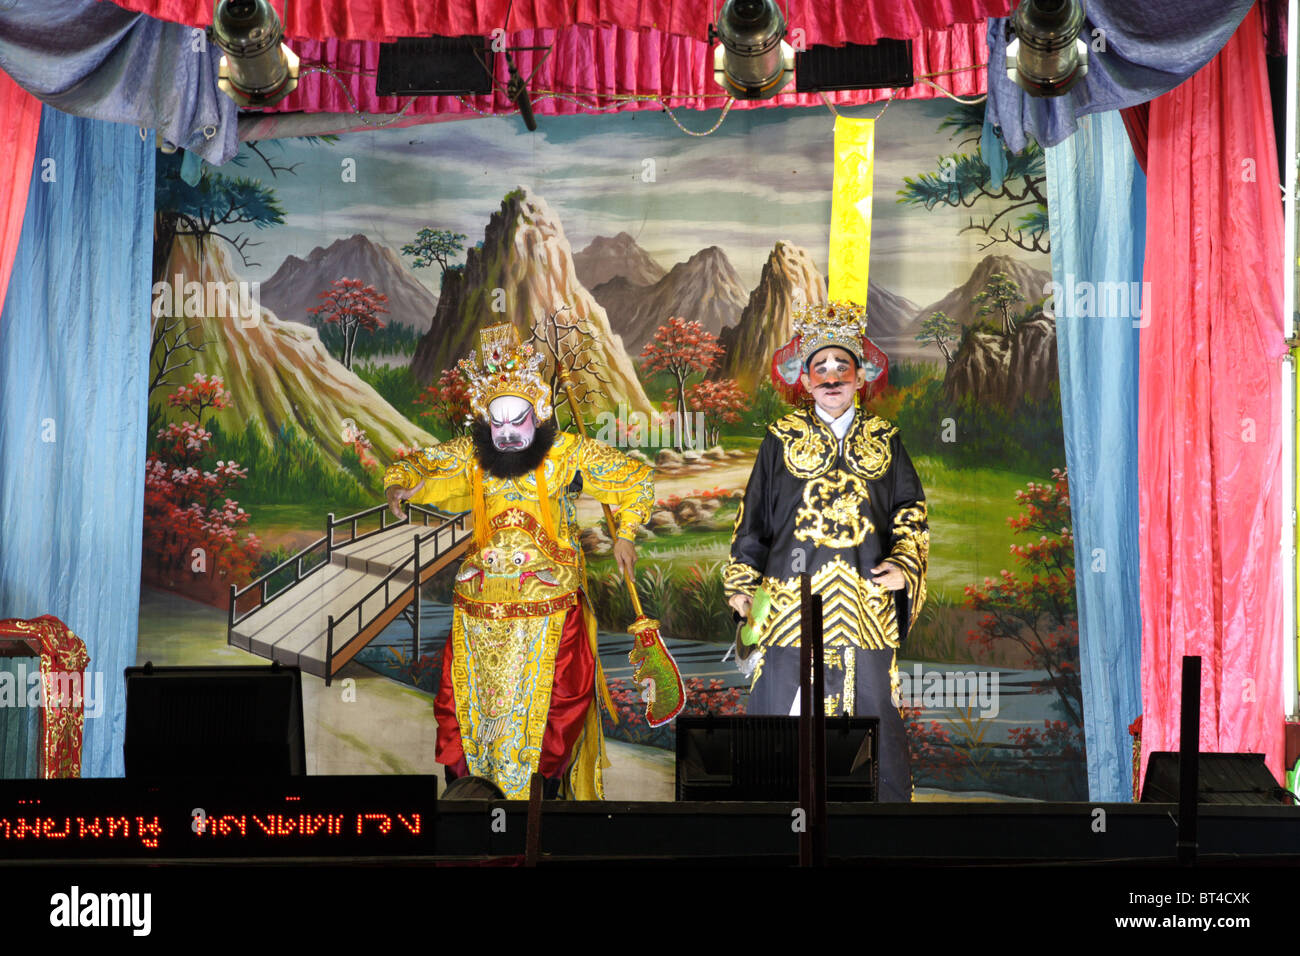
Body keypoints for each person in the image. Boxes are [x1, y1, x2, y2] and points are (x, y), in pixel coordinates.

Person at [383, 323, 654, 799]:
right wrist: (401, 485)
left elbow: (634, 479)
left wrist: (626, 534)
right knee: (466, 707)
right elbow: (419, 466)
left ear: (539, 413)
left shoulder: (566, 453)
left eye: (518, 421)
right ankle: (470, 800)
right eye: (497, 423)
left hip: (550, 607)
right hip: (478, 610)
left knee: (552, 707)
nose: (507, 434)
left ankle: (538, 805)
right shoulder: (473, 455)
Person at [724, 301, 928, 802]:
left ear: (861, 377)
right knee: (781, 718)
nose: (832, 377)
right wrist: (743, 584)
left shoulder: (886, 440)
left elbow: (910, 512)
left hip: (865, 602)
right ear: (804, 379)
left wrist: (904, 564)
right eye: (821, 367)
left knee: (872, 713)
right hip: (788, 602)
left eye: (843, 367)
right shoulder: (780, 439)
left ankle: (875, 834)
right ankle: (778, 829)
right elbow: (753, 521)